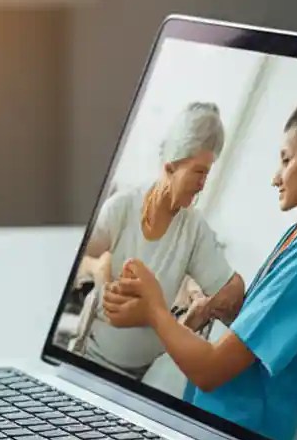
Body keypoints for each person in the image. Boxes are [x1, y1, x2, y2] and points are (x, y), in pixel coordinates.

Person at [105, 83, 297, 440]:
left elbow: (212, 368)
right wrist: (215, 311)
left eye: (286, 159)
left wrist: (155, 309)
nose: (276, 177)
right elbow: (269, 325)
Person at [79, 102, 246, 378]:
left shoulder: (194, 229)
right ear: (170, 167)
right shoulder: (121, 208)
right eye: (199, 172)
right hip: (91, 361)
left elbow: (232, 293)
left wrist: (193, 313)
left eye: (208, 172)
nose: (204, 184)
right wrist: (98, 271)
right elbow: (77, 258)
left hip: (143, 377)